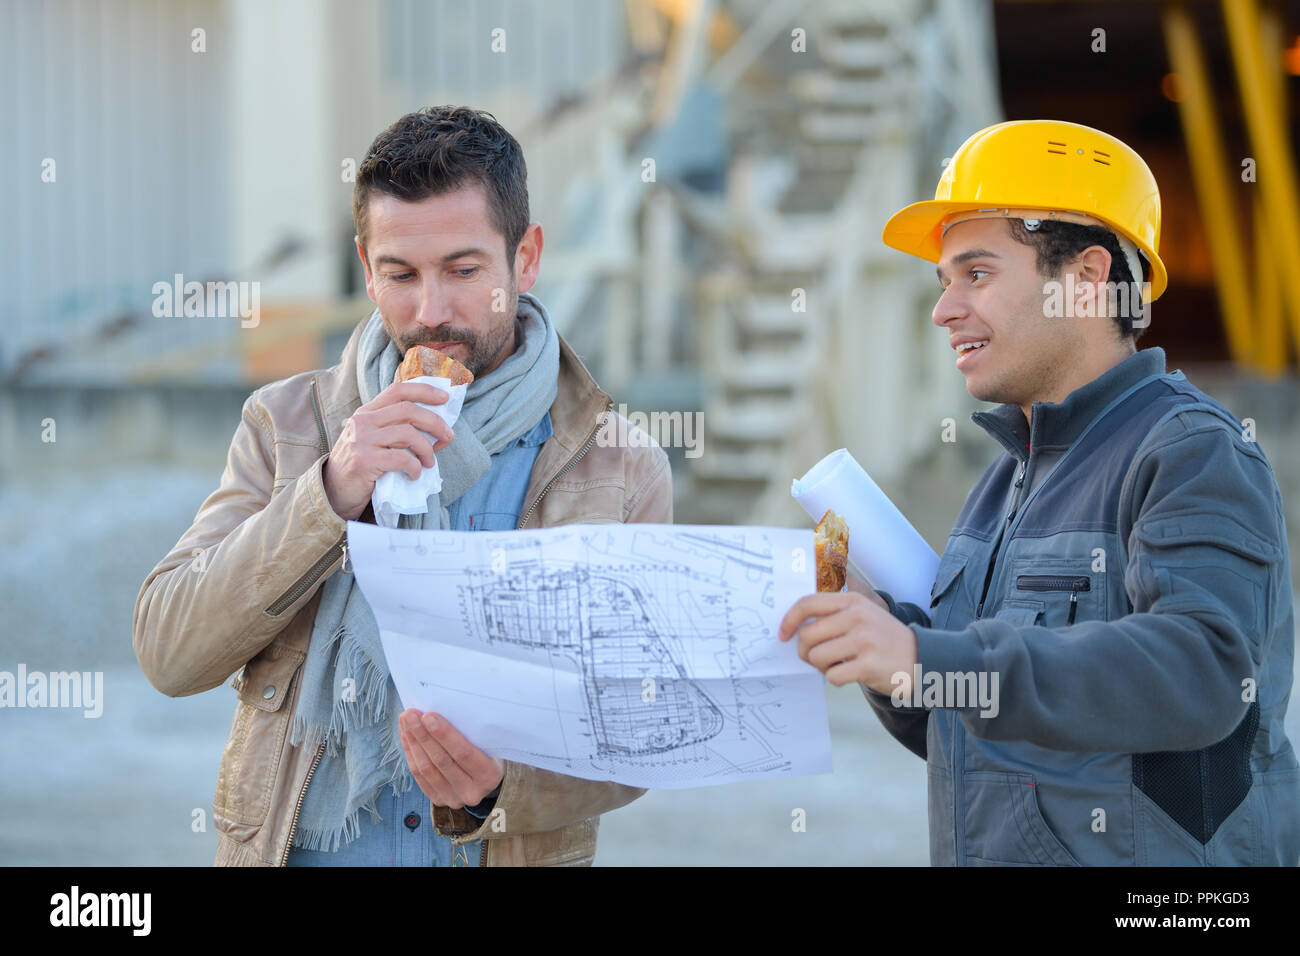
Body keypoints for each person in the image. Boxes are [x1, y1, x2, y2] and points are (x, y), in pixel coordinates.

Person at [133, 106, 673, 867]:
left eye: (463, 270)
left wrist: (503, 785)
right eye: (400, 275)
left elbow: (645, 727)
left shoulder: (618, 465)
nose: (431, 313)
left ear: (526, 258)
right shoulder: (286, 425)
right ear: (365, 267)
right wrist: (330, 488)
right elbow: (169, 650)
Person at [779, 119, 1300, 866]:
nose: (944, 309)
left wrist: (930, 658)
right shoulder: (1003, 482)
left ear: (1086, 278)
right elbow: (973, 731)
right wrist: (883, 648)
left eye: (977, 274)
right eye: (944, 281)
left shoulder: (1190, 451)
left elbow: (1208, 671)